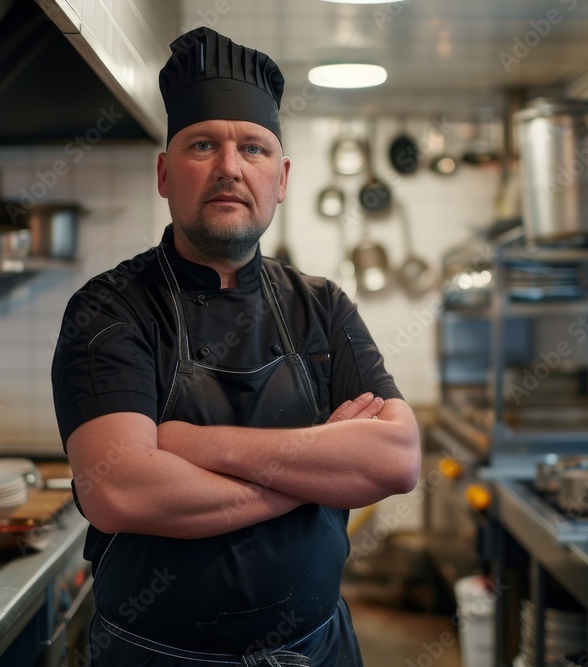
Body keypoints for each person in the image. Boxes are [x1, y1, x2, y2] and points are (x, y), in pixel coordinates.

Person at [51, 26, 421, 667]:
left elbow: (395, 460)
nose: (228, 167)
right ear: (165, 174)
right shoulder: (109, 309)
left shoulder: (322, 305)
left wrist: (194, 445)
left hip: (318, 651)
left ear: (280, 179)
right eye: (203, 145)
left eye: (252, 148)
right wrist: (320, 477)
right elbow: (121, 491)